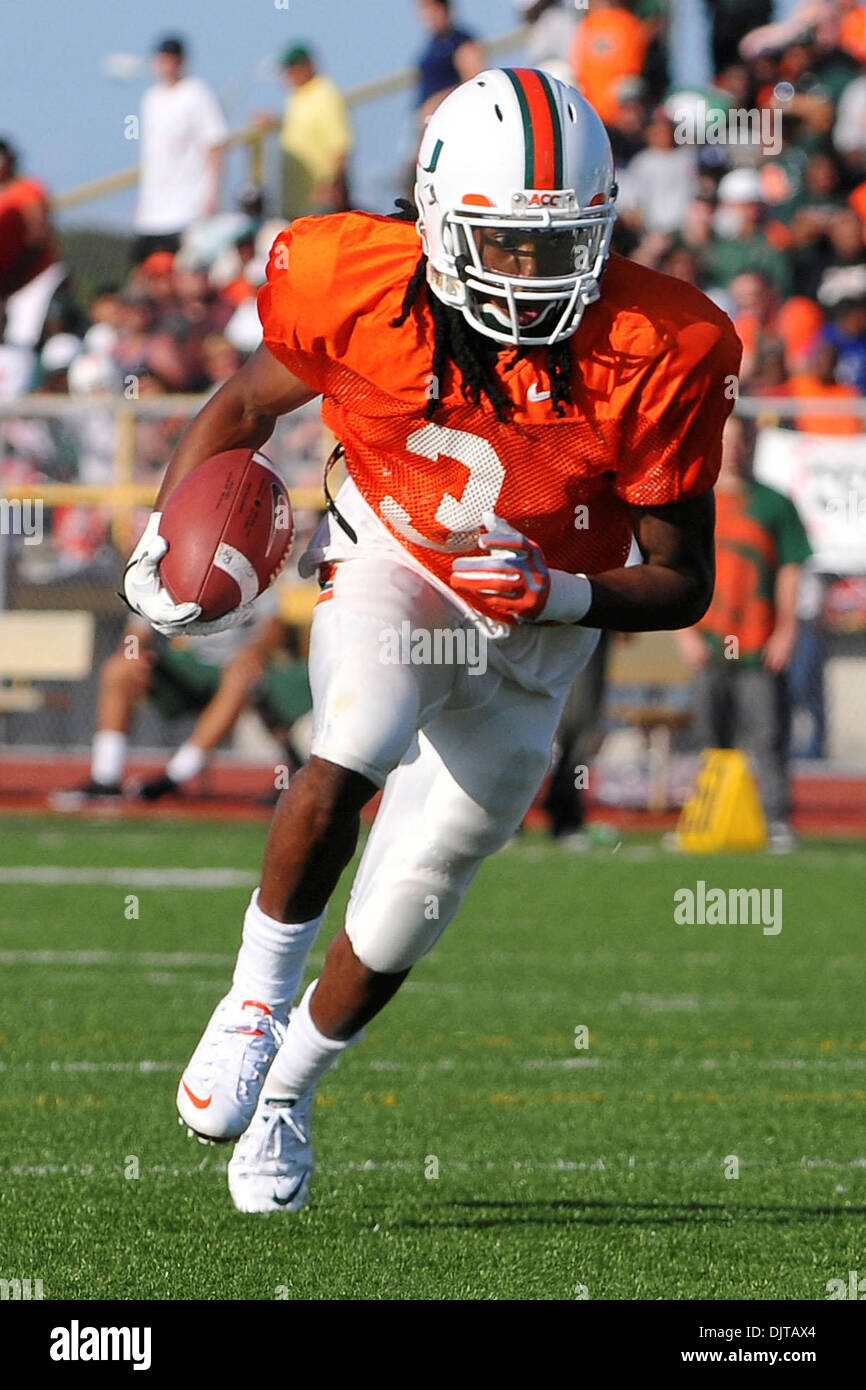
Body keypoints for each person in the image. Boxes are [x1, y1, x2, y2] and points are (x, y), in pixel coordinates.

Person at [121, 68, 740, 1214]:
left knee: (420, 881)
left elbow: (682, 581)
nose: (532, 274)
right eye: (502, 243)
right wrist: (170, 532)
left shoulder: (663, 342)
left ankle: (292, 1093)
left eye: (556, 246)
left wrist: (558, 593)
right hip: (397, 550)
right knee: (356, 727)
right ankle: (254, 996)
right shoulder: (351, 278)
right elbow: (245, 406)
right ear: (438, 216)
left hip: (539, 624)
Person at [675, 415, 811, 854]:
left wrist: (786, 630)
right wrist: (685, 633)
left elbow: (792, 570)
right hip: (708, 640)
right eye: (725, 440)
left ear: (752, 444)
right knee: (708, 738)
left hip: (757, 643)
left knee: (767, 734)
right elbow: (676, 568)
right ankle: (707, 818)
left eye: (739, 440)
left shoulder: (774, 504)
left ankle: (776, 820)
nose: (732, 449)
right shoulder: (694, 501)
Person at [55, 606, 310, 806]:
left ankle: (175, 777)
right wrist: (134, 654)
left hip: (237, 668)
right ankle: (106, 778)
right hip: (185, 666)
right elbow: (136, 633)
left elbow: (274, 627)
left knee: (240, 676)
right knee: (119, 668)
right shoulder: (156, 569)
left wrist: (252, 651)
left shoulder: (247, 563)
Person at [132, 37, 228, 265]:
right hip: (152, 210)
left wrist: (212, 194)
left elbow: (215, 142)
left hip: (187, 207)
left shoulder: (196, 93)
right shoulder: (151, 98)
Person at [277, 45, 354, 221]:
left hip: (320, 201)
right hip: (297, 203)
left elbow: (340, 146)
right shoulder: (297, 97)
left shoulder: (324, 95)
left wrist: (331, 186)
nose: (290, 74)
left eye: (294, 68)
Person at [415, 0, 484, 121]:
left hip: (451, 120)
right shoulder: (432, 46)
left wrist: (438, 102)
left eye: (432, 8)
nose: (428, 15)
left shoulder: (460, 41)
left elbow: (476, 82)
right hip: (427, 124)